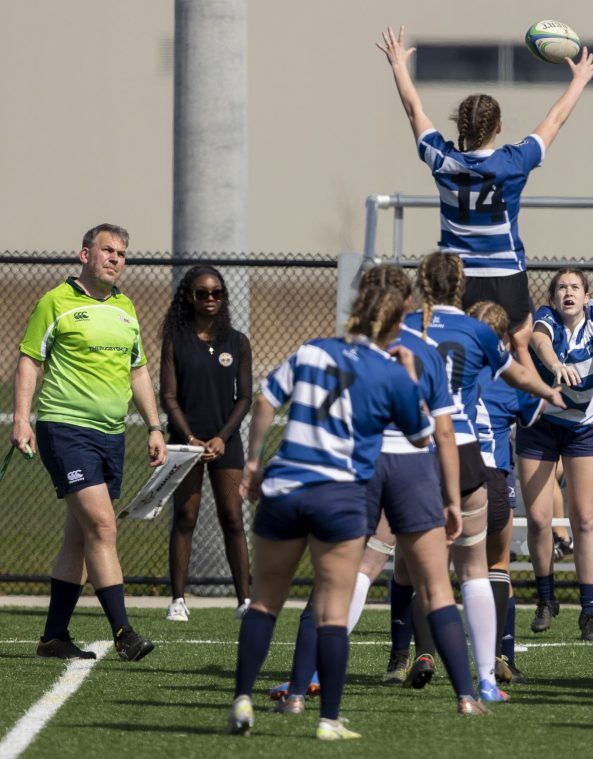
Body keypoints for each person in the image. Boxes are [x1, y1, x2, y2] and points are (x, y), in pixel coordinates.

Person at [228, 286, 452, 741]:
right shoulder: (390, 370)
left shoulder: (312, 351)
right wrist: (411, 378)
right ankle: (328, 720)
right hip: (339, 494)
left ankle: (242, 699)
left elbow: (266, 400)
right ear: (396, 326)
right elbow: (422, 436)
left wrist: (253, 461)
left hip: (285, 486)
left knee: (265, 601)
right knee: (332, 611)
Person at [267, 264, 480, 711]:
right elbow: (443, 433)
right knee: (436, 586)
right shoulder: (424, 350)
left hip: (358, 466)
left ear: (362, 298)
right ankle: (466, 695)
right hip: (412, 469)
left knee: (332, 581)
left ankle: (298, 691)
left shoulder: (338, 350)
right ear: (408, 303)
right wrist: (450, 497)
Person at [376, 25, 593, 369]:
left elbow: (413, 109)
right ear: (498, 127)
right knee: (519, 341)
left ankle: (448, 398)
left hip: (456, 275)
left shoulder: (443, 160)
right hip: (505, 271)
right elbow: (555, 120)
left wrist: (398, 66)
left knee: (454, 347)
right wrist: (579, 80)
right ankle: (532, 402)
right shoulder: (513, 162)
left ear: (460, 128)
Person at [402, 252, 565, 698]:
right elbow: (521, 384)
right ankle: (489, 675)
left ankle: (405, 654)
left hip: (414, 454)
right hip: (474, 459)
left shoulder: (406, 328)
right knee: (482, 569)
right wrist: (548, 388)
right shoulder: (478, 337)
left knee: (403, 567)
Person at [11, 223, 165, 662]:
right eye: (108, 250)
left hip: (111, 435)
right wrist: (21, 419)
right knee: (102, 527)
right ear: (85, 255)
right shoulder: (55, 302)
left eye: (122, 253)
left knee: (79, 536)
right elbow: (29, 360)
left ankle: (53, 638)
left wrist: (154, 426)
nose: (116, 259)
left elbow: (138, 370)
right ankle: (124, 633)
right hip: (65, 429)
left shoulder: (125, 307)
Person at [517, 268, 593, 641]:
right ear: (554, 296)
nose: (568, 293)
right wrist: (555, 366)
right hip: (541, 423)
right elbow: (539, 341)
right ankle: (546, 599)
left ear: (586, 295)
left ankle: (589, 611)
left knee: (584, 519)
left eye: (575, 287)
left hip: (583, 427)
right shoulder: (546, 318)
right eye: (562, 287)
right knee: (538, 518)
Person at [160, 265, 252, 622]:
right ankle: (178, 600)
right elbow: (169, 397)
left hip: (224, 442)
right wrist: (191, 438)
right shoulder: (176, 339)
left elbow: (244, 397)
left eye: (217, 293)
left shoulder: (237, 342)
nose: (210, 298)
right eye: (202, 293)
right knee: (185, 517)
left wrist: (220, 438)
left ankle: (245, 600)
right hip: (187, 443)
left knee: (233, 518)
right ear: (190, 297)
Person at [469, 300, 546, 684]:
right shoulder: (507, 376)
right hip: (495, 475)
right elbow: (535, 408)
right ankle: (503, 655)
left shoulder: (453, 371)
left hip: (449, 477)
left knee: (434, 572)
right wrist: (521, 347)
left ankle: (419, 653)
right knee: (497, 566)